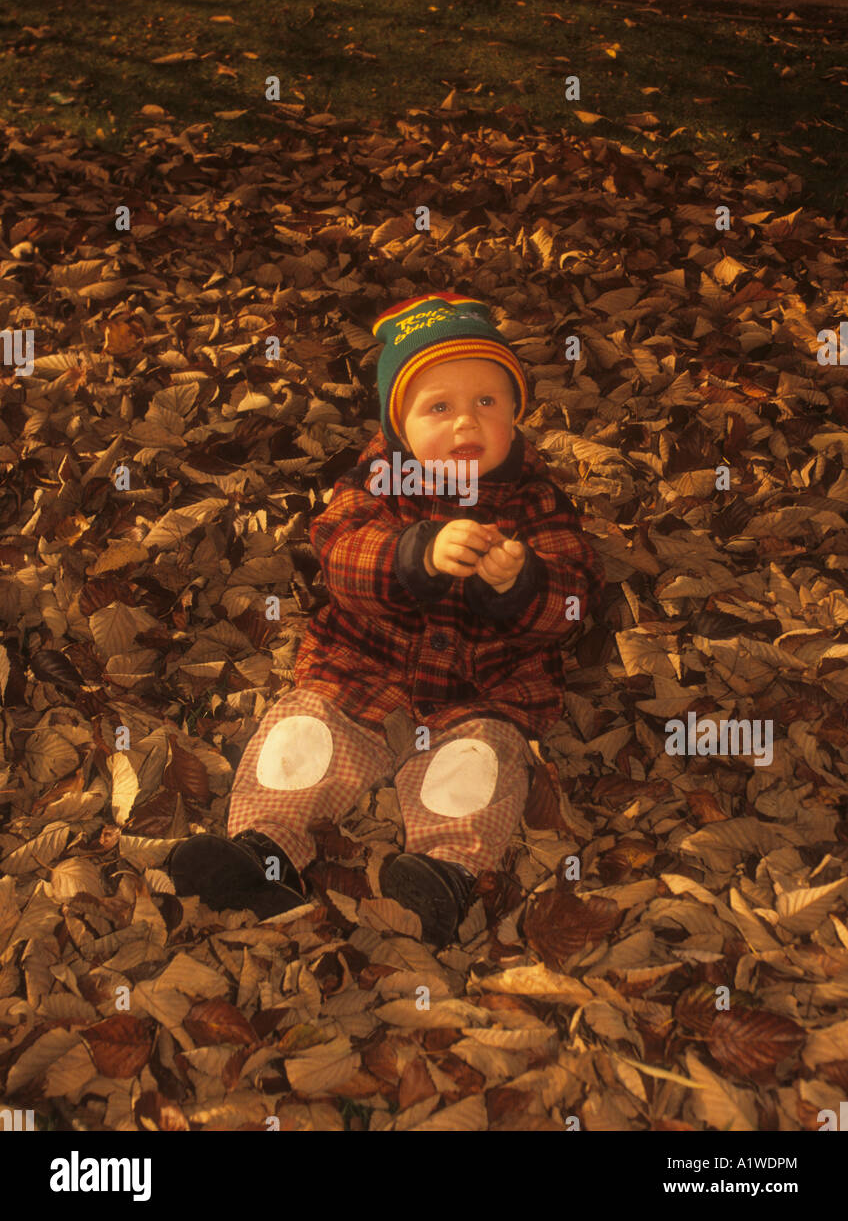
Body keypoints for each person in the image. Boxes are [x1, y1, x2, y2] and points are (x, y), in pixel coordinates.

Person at [169, 292, 605, 947]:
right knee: (302, 735)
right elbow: (341, 556)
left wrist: (522, 584)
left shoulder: (538, 499)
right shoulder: (377, 483)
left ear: (516, 413)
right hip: (363, 674)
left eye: (487, 402)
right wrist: (416, 555)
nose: (466, 425)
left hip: (481, 689)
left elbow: (575, 597)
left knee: (477, 762)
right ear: (399, 426)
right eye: (440, 408)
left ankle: (443, 874)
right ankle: (263, 848)